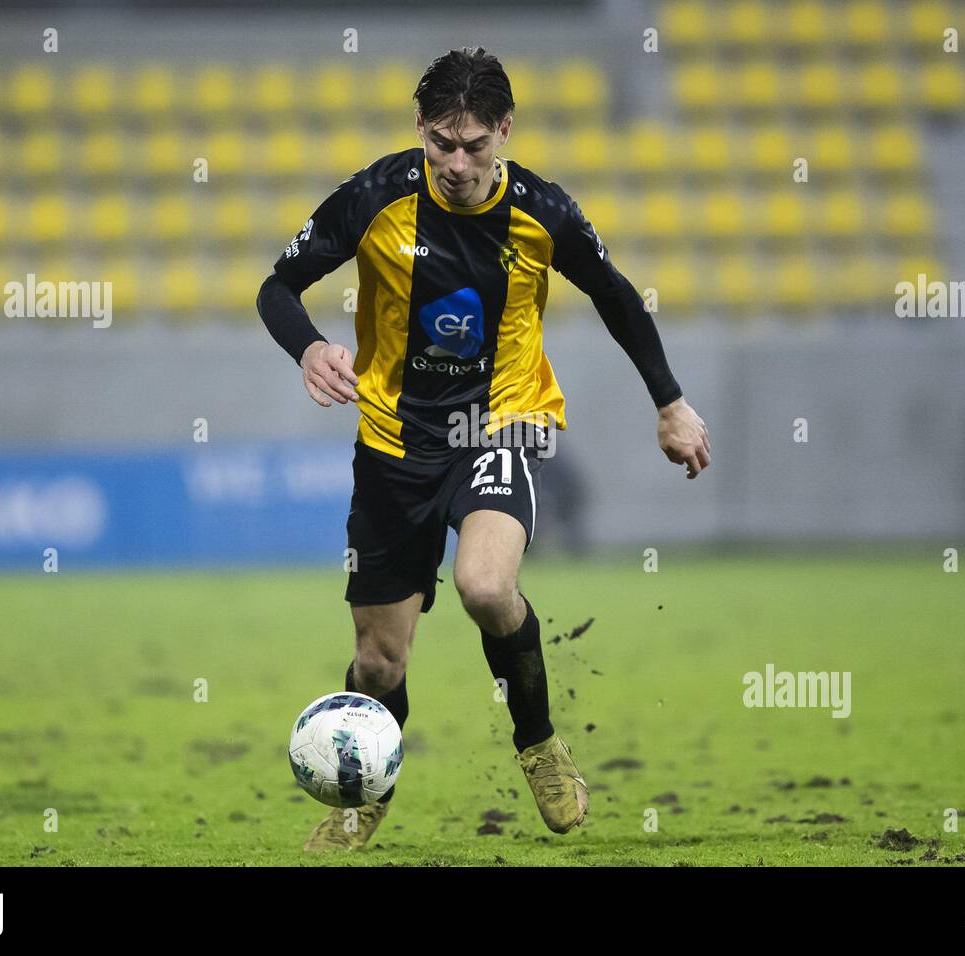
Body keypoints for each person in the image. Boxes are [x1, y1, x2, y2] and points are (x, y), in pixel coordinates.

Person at [257, 47, 710, 853]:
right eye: (441, 143)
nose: (457, 163)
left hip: (499, 422)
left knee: (485, 584)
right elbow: (276, 287)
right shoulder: (373, 197)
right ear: (421, 131)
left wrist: (670, 402)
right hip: (394, 442)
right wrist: (310, 348)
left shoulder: (545, 214)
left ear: (504, 131)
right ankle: (364, 794)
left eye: (474, 145)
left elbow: (616, 298)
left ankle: (536, 743)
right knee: (377, 664)